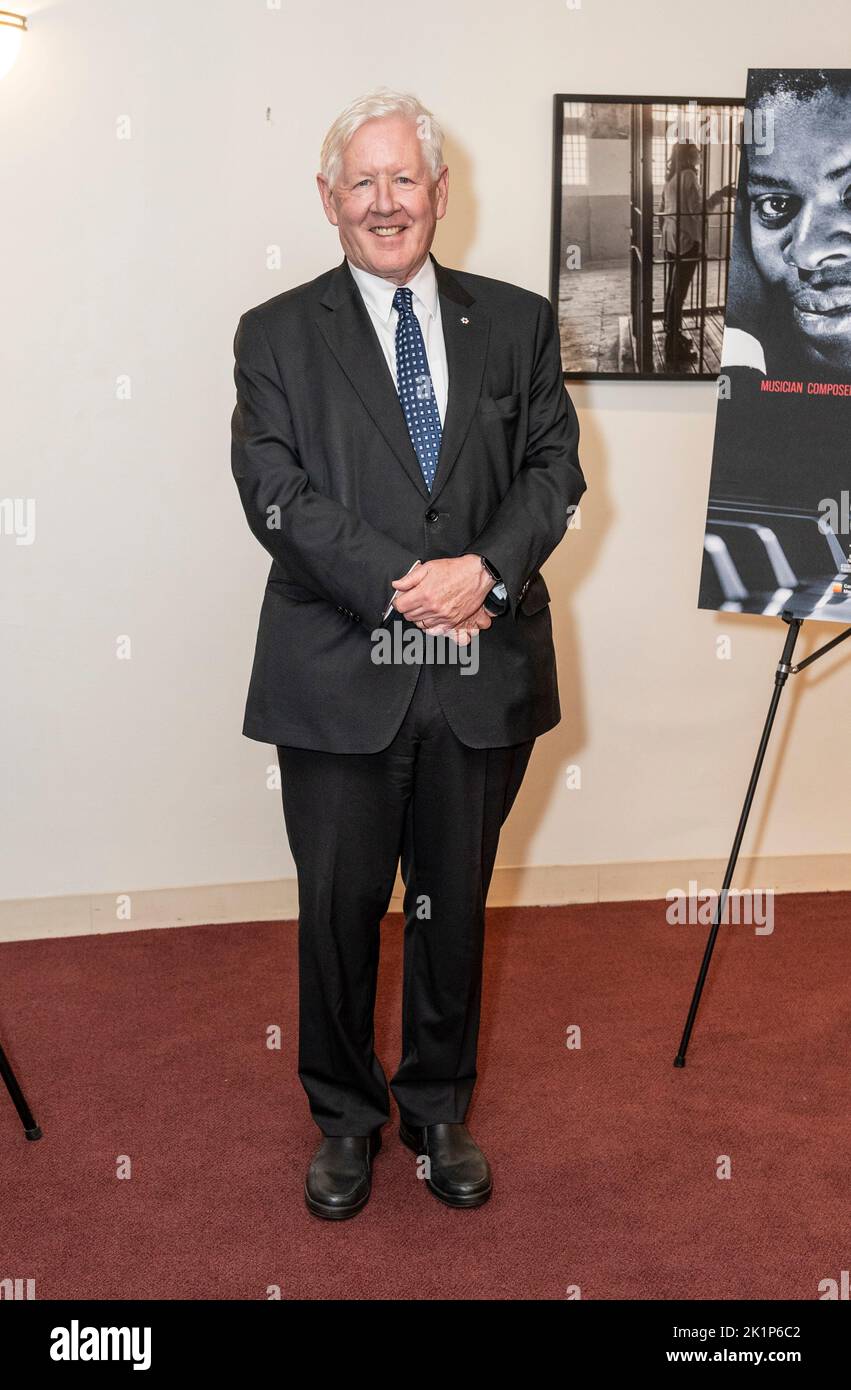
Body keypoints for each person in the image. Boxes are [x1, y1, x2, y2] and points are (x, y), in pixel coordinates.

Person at [231, 88, 585, 1220]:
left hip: (483, 675)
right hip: (338, 676)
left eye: (405, 180)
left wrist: (480, 571)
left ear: (439, 193)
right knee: (337, 911)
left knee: (453, 903)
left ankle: (436, 1108)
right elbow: (274, 495)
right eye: (363, 182)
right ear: (329, 201)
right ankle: (344, 1118)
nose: (387, 202)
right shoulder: (275, 334)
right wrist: (409, 588)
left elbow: (552, 474)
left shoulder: (519, 324)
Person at [659, 141, 735, 367]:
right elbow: (697, 210)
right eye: (697, 154)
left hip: (671, 238)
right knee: (679, 291)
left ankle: (673, 334)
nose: (700, 157)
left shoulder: (671, 179)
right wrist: (720, 194)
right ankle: (673, 344)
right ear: (689, 156)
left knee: (673, 291)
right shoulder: (689, 176)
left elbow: (665, 211)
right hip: (686, 240)